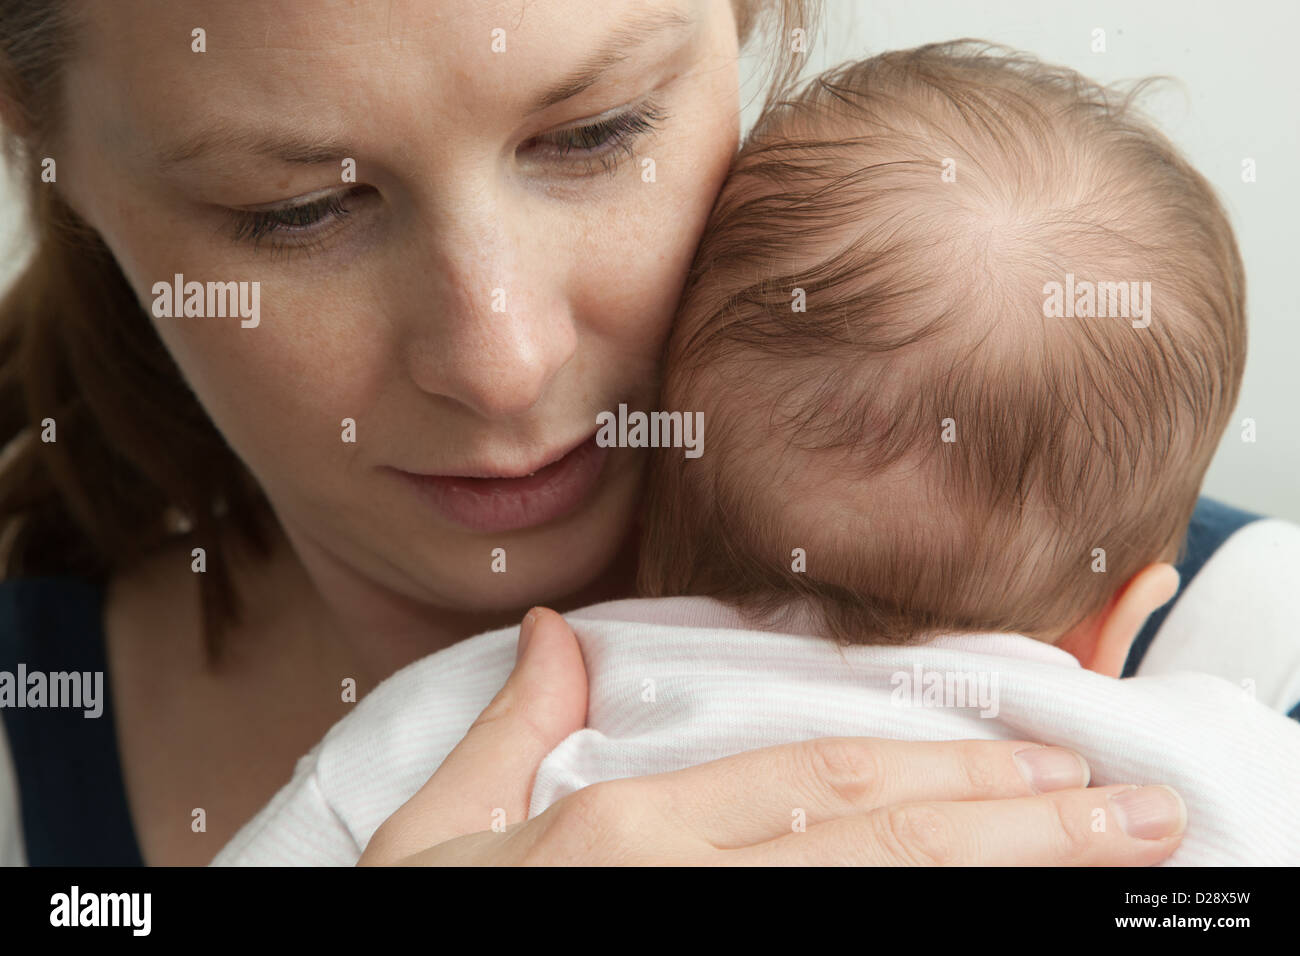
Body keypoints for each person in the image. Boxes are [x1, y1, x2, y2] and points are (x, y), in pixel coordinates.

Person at [0, 0, 1269, 867]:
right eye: (298, 209)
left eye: (596, 132)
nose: (503, 362)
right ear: (39, 142)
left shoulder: (1266, 647)